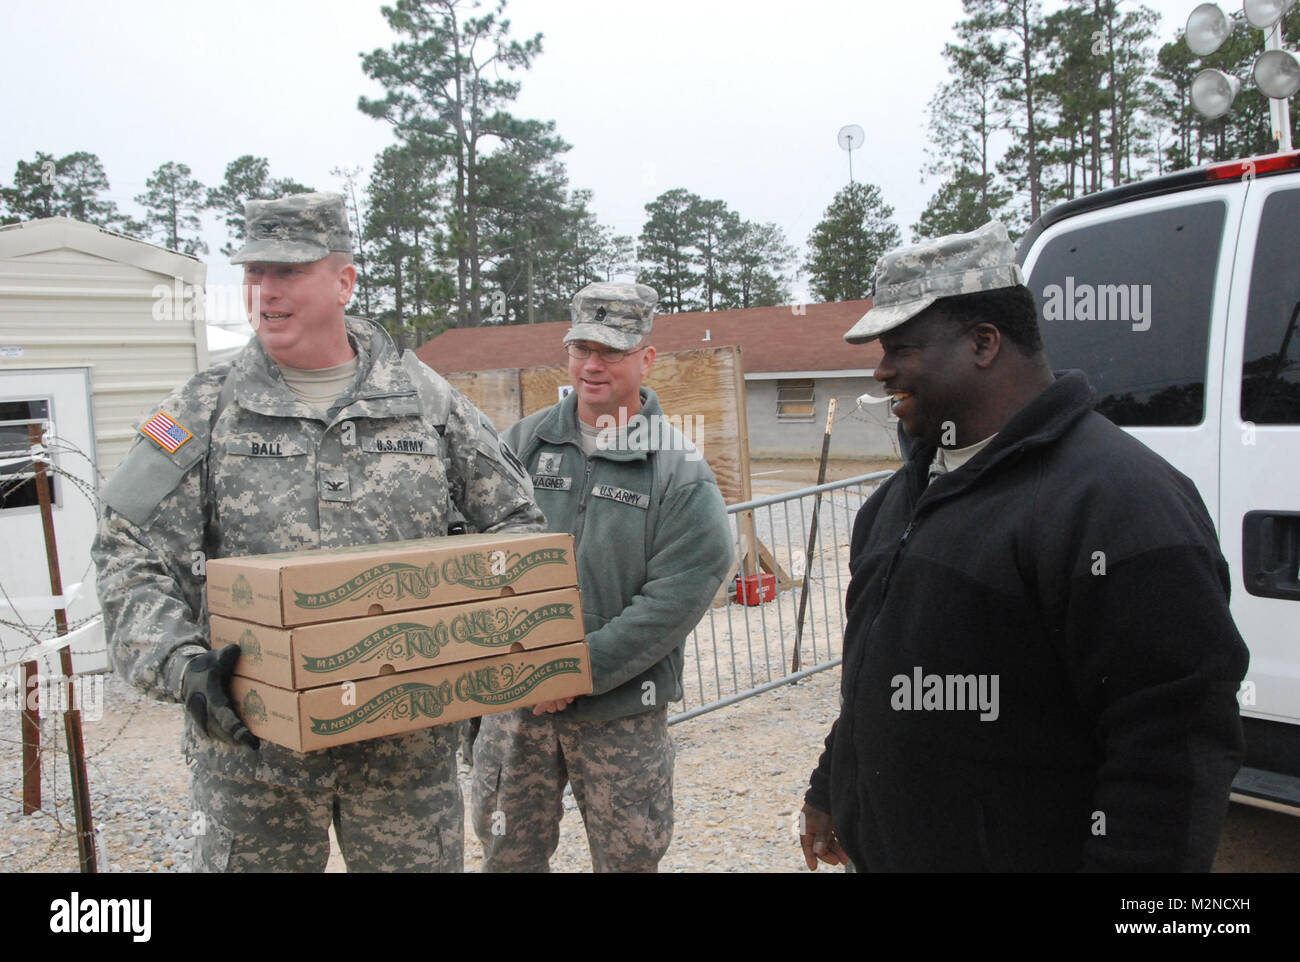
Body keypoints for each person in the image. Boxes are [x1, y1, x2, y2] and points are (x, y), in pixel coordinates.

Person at [91, 192, 543, 873]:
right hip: (253, 757)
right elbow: (127, 544)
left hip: (405, 753)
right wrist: (183, 667)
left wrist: (477, 648)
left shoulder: (423, 400)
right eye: (254, 273)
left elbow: (516, 528)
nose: (265, 292)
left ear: (343, 280)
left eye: (287, 273)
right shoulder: (205, 407)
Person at [799, 221, 1249, 872]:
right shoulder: (896, 501)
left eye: (902, 347)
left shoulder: (1118, 503)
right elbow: (874, 679)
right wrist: (831, 789)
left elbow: (1170, 755)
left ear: (984, 343)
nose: (882, 369)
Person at [470, 281, 734, 872]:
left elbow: (681, 589)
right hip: (517, 707)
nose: (593, 365)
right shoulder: (520, 444)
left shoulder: (677, 468)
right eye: (581, 347)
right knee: (506, 853)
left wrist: (576, 668)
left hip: (620, 711)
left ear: (646, 358)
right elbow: (471, 555)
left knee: (627, 860)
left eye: (612, 351)